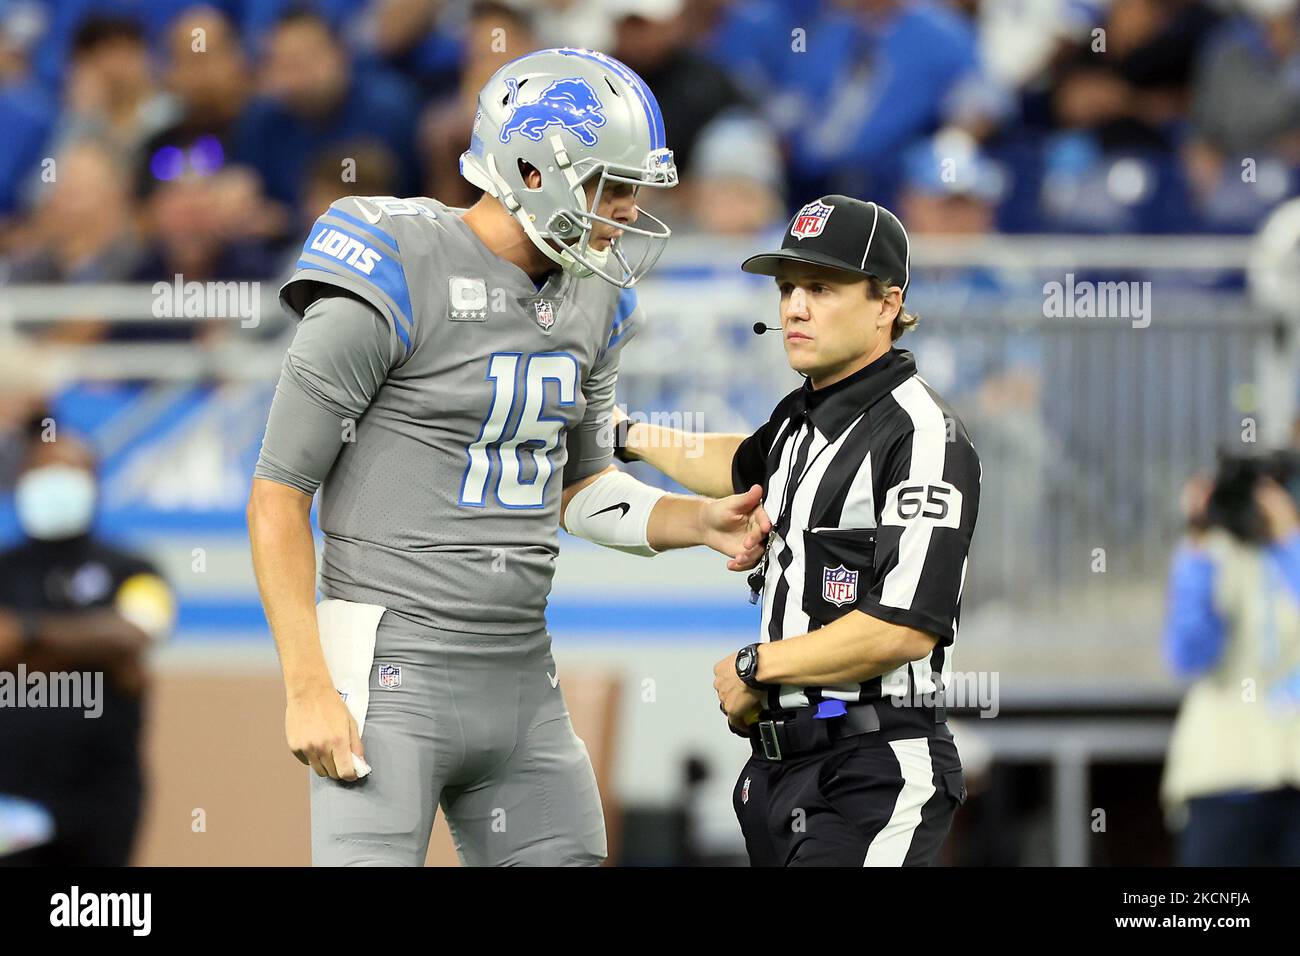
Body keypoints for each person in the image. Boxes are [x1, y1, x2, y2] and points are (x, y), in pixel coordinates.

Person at [247, 48, 771, 868]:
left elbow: (583, 482)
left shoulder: (596, 294)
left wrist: (691, 519)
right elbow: (278, 493)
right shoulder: (396, 264)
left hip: (522, 673)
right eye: (613, 185)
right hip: (392, 674)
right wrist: (308, 683)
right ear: (531, 166)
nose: (629, 212)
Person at [615, 196, 981, 866]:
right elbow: (730, 462)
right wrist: (623, 434)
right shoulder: (802, 417)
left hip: (872, 765)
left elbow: (903, 626)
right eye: (787, 289)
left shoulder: (922, 433)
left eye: (821, 287)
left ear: (886, 303)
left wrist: (759, 666)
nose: (794, 308)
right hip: (782, 770)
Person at [0, 420, 175, 866]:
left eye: (71, 470)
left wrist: (27, 637)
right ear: (21, 480)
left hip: (104, 796)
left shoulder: (135, 569)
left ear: (94, 481)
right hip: (11, 798)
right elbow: (116, 649)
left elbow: (137, 631)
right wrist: (97, 653)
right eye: (45, 470)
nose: (57, 483)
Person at [1160, 457, 1300, 865]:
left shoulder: (1290, 554)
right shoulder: (1212, 555)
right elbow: (1188, 654)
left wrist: (1288, 539)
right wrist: (1201, 541)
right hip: (1223, 776)